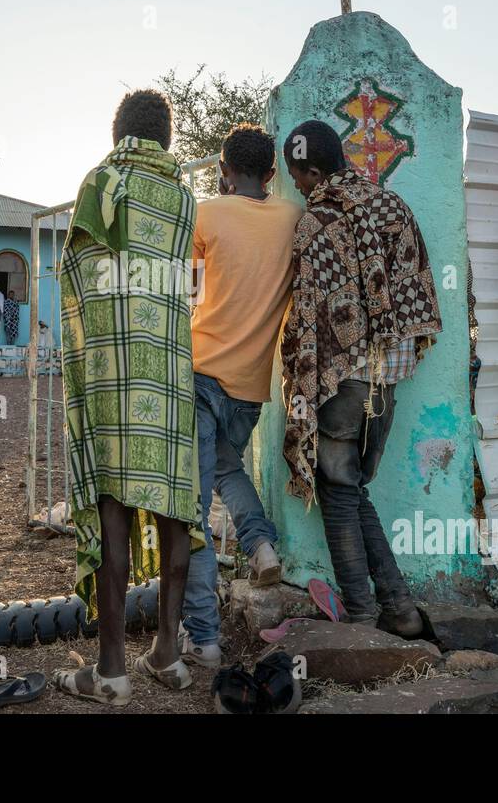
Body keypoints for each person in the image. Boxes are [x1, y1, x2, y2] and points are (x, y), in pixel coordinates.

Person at [52, 89, 201, 707]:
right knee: (173, 502)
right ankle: (168, 650)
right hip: (170, 369)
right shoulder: (185, 196)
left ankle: (110, 670)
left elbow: (79, 272)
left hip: (116, 369)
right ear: (166, 138)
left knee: (113, 504)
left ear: (118, 134)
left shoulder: (104, 180)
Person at [281, 119, 443, 638]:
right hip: (386, 384)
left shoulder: (316, 223)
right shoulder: (391, 206)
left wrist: (305, 383)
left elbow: (308, 316)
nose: (298, 187)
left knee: (339, 492)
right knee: (353, 490)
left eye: (298, 177)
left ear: (310, 170)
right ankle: (398, 608)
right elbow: (417, 283)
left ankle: (360, 612)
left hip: (341, 385)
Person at [180, 123, 304, 667]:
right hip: (251, 387)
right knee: (228, 469)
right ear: (273, 173)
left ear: (224, 171)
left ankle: (203, 639)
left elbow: (185, 282)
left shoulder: (207, 214)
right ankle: (260, 544)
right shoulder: (292, 217)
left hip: (202, 370)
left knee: (192, 509)